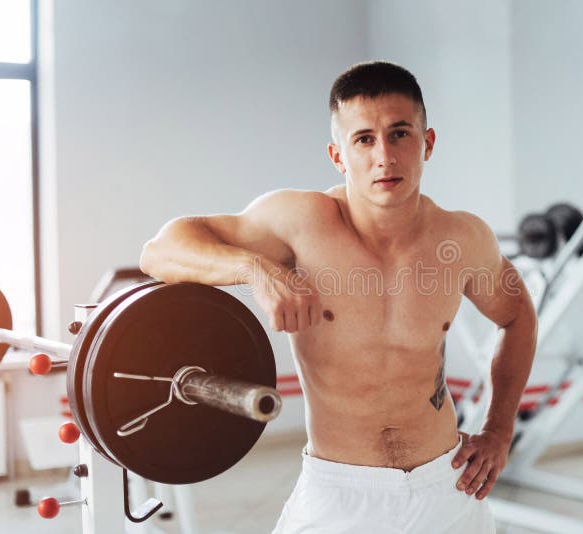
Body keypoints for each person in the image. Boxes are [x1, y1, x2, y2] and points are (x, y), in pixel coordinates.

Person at [139, 61, 537, 534]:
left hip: (446, 486)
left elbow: (517, 316)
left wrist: (498, 431)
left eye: (400, 134)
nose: (384, 157)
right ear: (338, 155)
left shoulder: (464, 238)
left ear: (427, 143)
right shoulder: (300, 223)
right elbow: (160, 249)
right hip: (338, 493)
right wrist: (254, 269)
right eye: (364, 139)